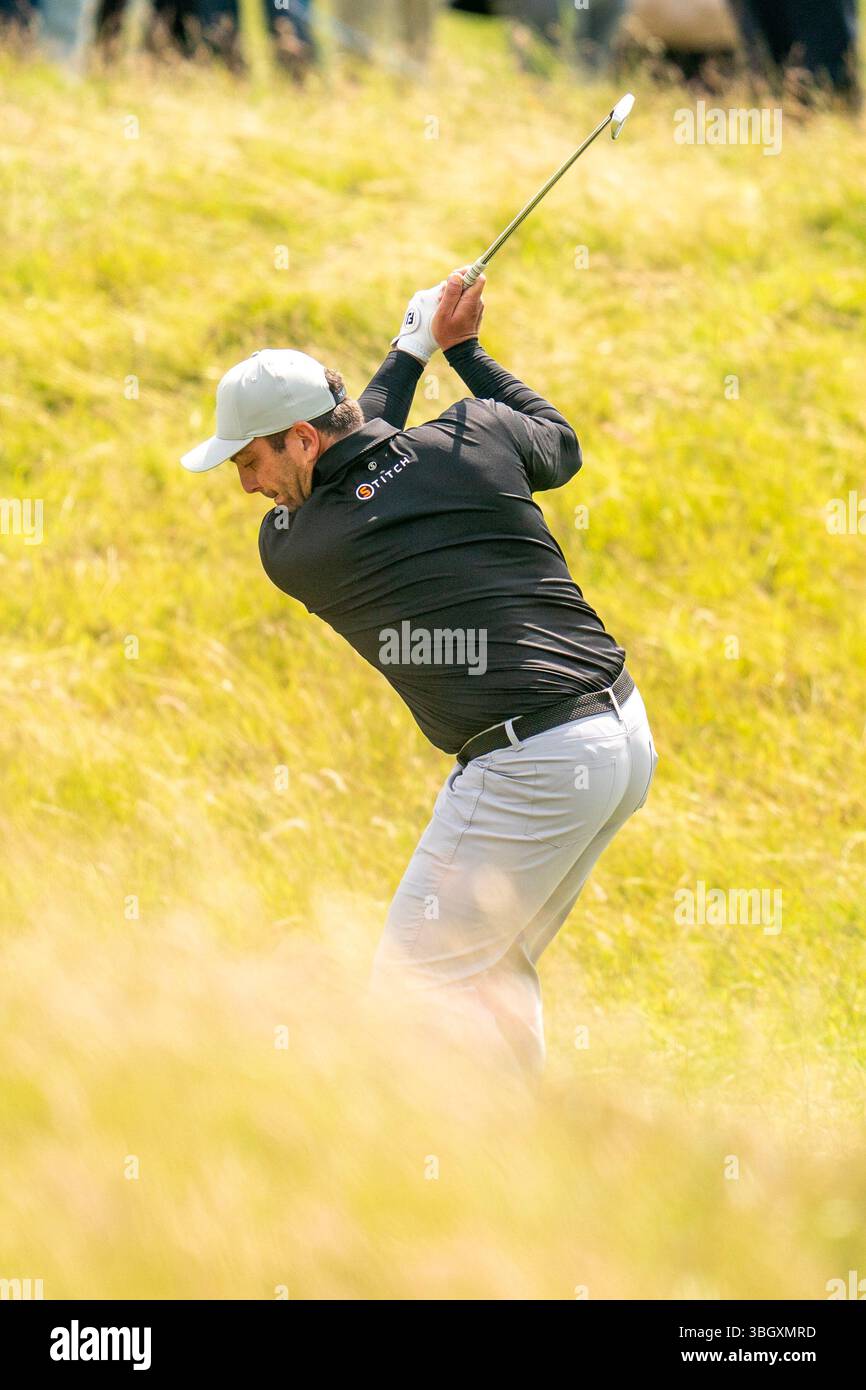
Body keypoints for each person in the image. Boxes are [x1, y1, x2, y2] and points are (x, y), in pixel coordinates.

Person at [179, 274, 657, 1077]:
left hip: (529, 766)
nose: (247, 485)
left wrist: (414, 348)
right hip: (621, 740)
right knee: (490, 968)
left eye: (252, 459)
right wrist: (457, 352)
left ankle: (449, 1167)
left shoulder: (299, 546)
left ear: (300, 438)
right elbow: (554, 443)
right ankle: (530, 1154)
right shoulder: (476, 437)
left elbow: (362, 467)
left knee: (413, 990)